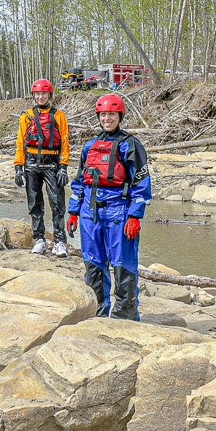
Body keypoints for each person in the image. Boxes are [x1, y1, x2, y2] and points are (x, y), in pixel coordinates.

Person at [66, 92, 151, 319]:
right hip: (90, 213)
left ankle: (125, 316)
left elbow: (141, 184)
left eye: (112, 114)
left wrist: (135, 216)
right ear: (98, 116)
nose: (107, 119)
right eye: (103, 115)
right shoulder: (90, 146)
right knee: (93, 266)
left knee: (123, 267)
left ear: (120, 116)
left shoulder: (131, 145)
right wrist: (73, 212)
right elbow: (79, 182)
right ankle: (97, 314)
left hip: (119, 212)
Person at [14, 78, 71, 256]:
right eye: (37, 94)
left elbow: (65, 142)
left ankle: (59, 242)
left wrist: (63, 166)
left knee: (57, 204)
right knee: (35, 204)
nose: (40, 97)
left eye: (44, 94)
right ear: (34, 95)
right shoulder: (26, 116)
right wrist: (18, 167)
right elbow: (20, 142)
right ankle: (39, 239)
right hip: (31, 163)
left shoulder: (59, 116)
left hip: (52, 163)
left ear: (49, 95)